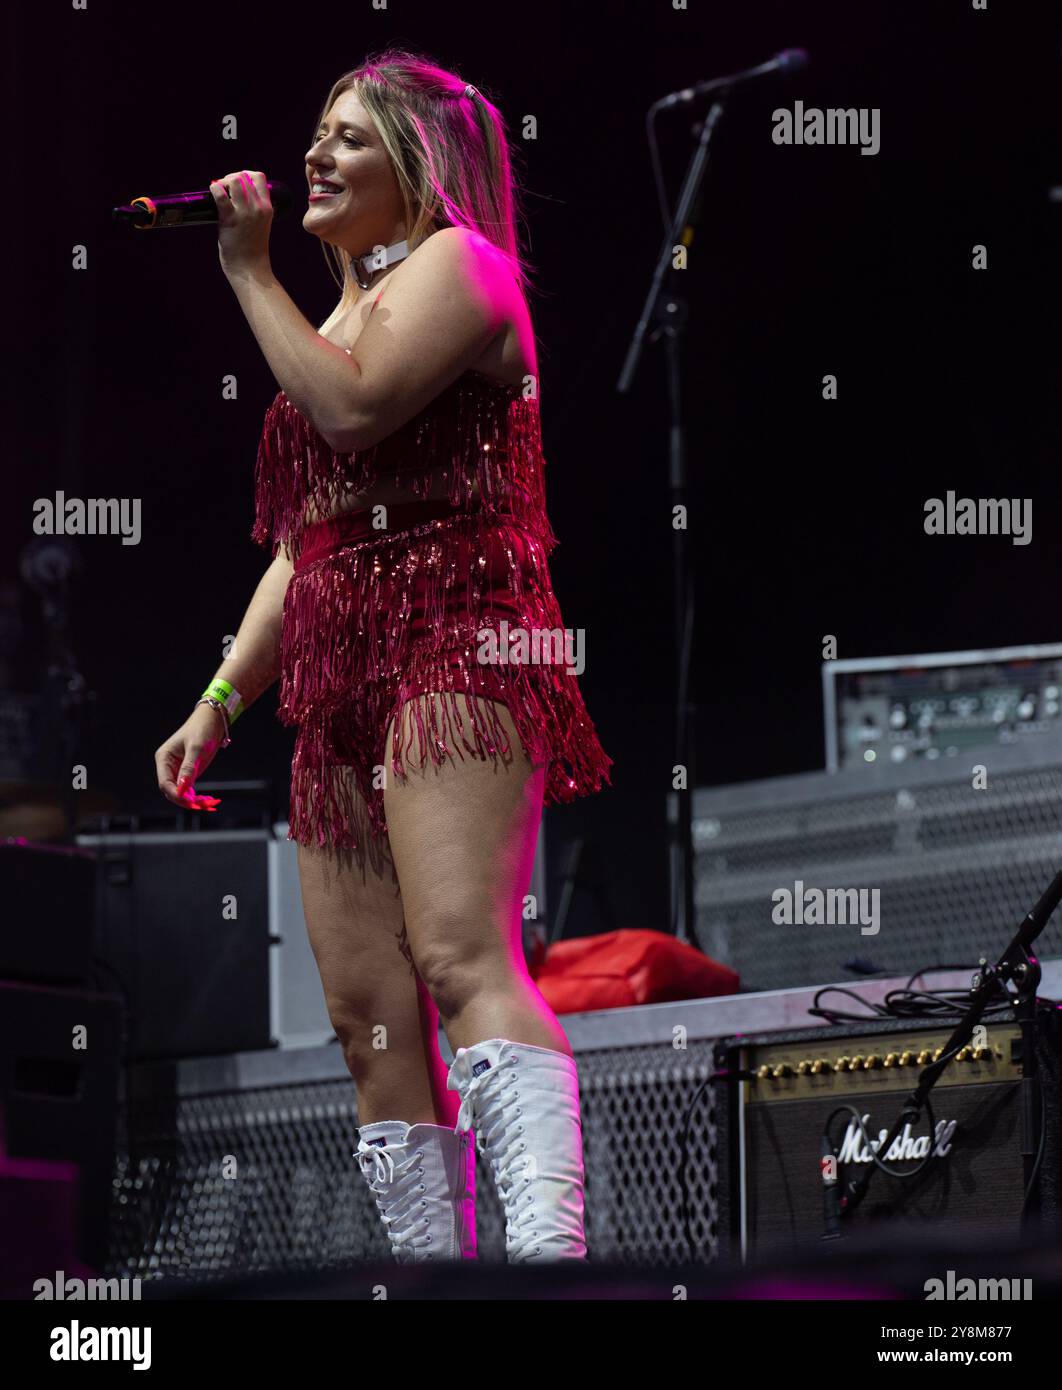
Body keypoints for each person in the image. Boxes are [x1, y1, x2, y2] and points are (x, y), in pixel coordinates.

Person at [154, 48, 611, 1265]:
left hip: (460, 637)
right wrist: (219, 698)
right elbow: (309, 546)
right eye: (317, 132)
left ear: (423, 167)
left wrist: (248, 274)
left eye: (350, 139)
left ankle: (549, 1264)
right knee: (368, 1019)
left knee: (463, 959)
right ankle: (428, 1283)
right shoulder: (345, 312)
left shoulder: (466, 266)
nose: (316, 155)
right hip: (339, 675)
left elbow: (350, 409)